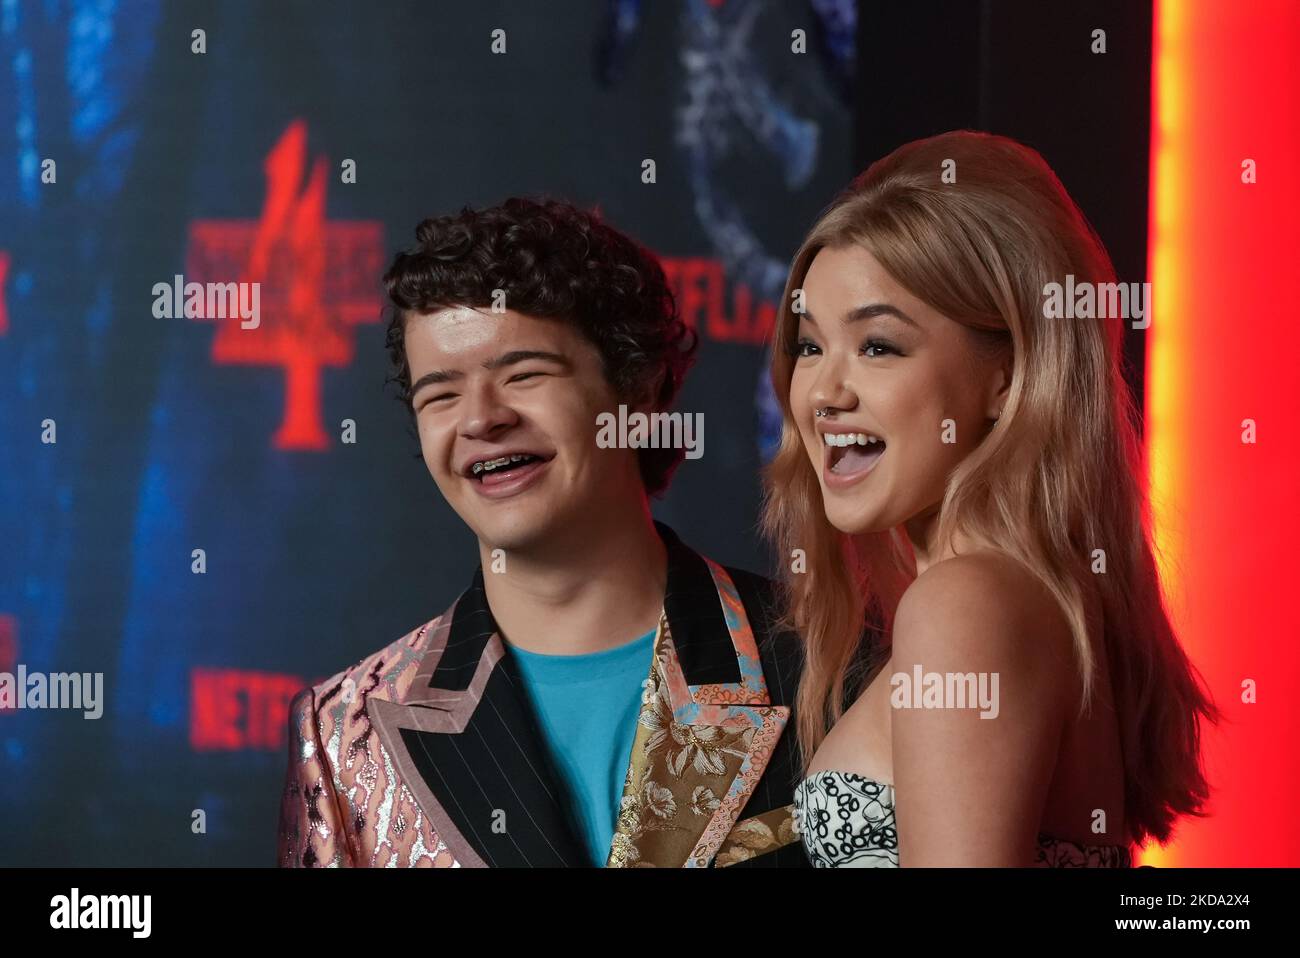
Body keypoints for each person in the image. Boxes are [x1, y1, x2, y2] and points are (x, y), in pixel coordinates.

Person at [277, 197, 807, 867]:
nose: (481, 419)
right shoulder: (340, 730)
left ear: (638, 389)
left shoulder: (832, 661)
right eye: (440, 393)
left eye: (524, 375)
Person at [762, 131, 1220, 867]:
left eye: (879, 345)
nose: (823, 393)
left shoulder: (964, 603)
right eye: (810, 346)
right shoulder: (1033, 595)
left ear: (1006, 377)